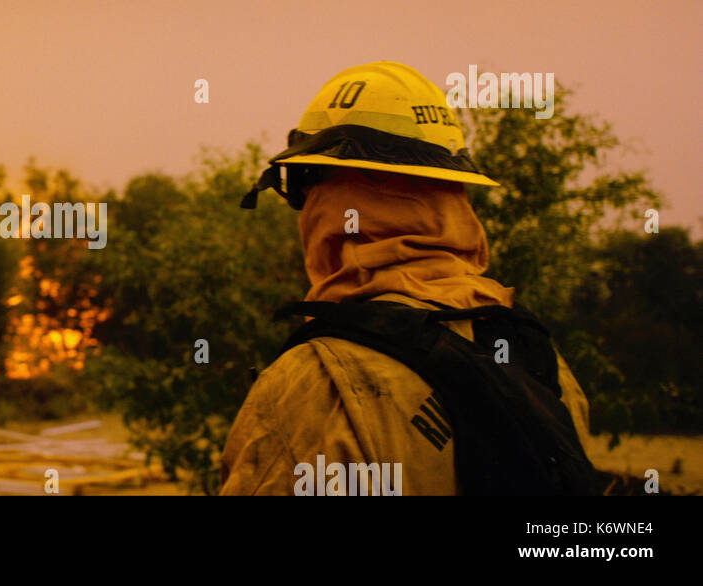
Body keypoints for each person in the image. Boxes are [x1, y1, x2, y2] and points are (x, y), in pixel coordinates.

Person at [221, 61, 599, 495]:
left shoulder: (310, 384)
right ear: (451, 194)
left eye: (302, 189)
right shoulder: (540, 359)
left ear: (323, 196)